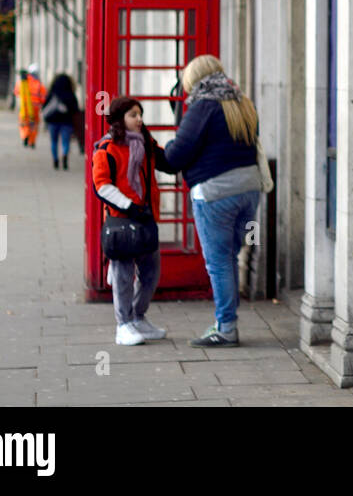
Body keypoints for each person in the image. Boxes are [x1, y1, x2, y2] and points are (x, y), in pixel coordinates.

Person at [162, 55, 264, 348]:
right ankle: (225, 321)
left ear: (192, 79)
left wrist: (165, 144)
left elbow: (176, 156)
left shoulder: (203, 106)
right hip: (249, 190)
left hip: (216, 194)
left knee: (218, 262)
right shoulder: (241, 102)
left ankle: (227, 328)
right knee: (230, 256)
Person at [91, 97, 173, 346]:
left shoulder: (146, 143)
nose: (139, 119)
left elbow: (168, 162)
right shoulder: (107, 148)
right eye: (133, 115)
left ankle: (138, 317)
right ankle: (123, 324)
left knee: (151, 273)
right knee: (124, 276)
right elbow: (101, 185)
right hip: (123, 222)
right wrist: (130, 207)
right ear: (119, 119)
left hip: (147, 218)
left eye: (140, 114)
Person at [42, 73, 81, 170]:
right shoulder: (70, 94)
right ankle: (64, 156)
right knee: (65, 141)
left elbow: (44, 107)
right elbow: (75, 109)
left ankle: (55, 160)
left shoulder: (52, 93)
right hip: (66, 122)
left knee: (54, 142)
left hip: (53, 122)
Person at [17, 64, 47, 148]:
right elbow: (44, 97)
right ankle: (32, 141)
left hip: (24, 107)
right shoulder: (39, 84)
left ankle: (25, 135)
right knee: (33, 125)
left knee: (23, 123)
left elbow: (16, 91)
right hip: (35, 108)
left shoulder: (22, 82)